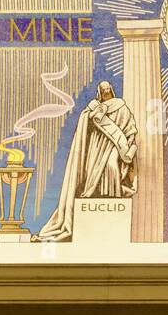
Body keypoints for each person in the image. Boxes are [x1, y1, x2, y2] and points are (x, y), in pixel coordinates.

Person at [33, 81, 137, 242]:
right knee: (93, 172)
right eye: (103, 90)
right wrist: (92, 116)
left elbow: (129, 125)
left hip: (114, 145)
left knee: (112, 166)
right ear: (100, 92)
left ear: (112, 90)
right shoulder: (94, 106)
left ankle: (113, 194)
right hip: (96, 145)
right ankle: (94, 192)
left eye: (108, 89)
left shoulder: (121, 106)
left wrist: (130, 139)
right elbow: (85, 123)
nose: (106, 91)